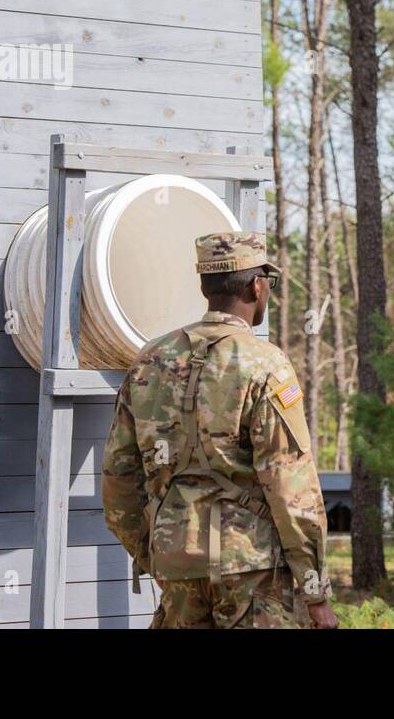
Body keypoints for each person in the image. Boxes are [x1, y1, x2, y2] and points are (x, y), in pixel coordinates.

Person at [102, 231, 338, 629]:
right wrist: (316, 592)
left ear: (204, 286)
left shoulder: (149, 362)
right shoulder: (265, 365)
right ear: (257, 286)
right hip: (252, 571)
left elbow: (118, 482)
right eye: (269, 284)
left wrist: (154, 553)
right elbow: (291, 489)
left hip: (176, 564)